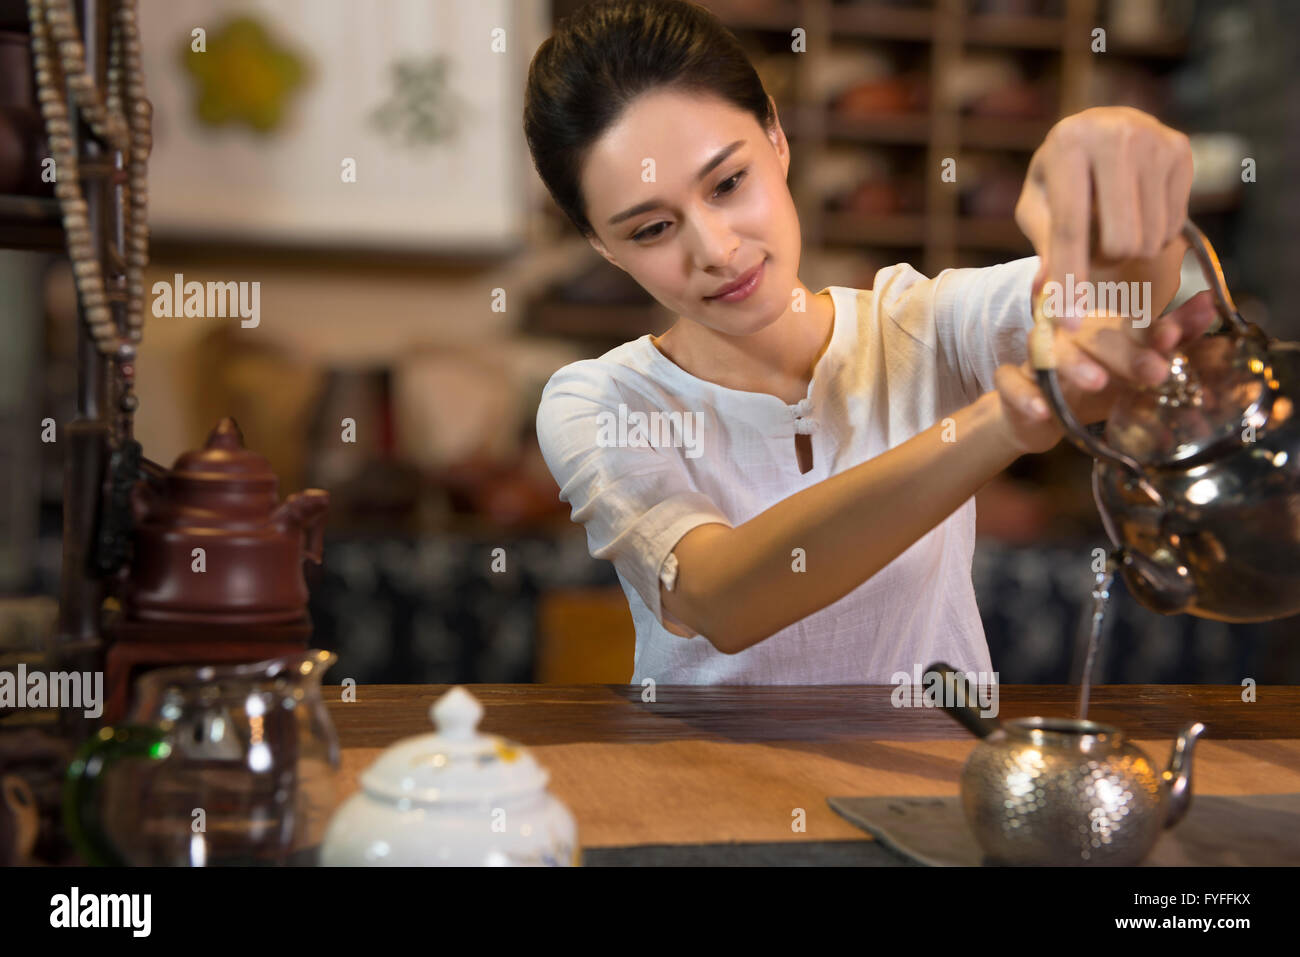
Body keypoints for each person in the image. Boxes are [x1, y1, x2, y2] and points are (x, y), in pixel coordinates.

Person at [523, 0, 1215, 684]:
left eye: (729, 182)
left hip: (926, 785)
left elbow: (1112, 297)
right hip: (711, 786)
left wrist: (1116, 167)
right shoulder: (601, 399)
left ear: (776, 134)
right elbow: (721, 599)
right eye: (651, 230)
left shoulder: (920, 326)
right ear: (600, 247)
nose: (717, 249)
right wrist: (999, 423)